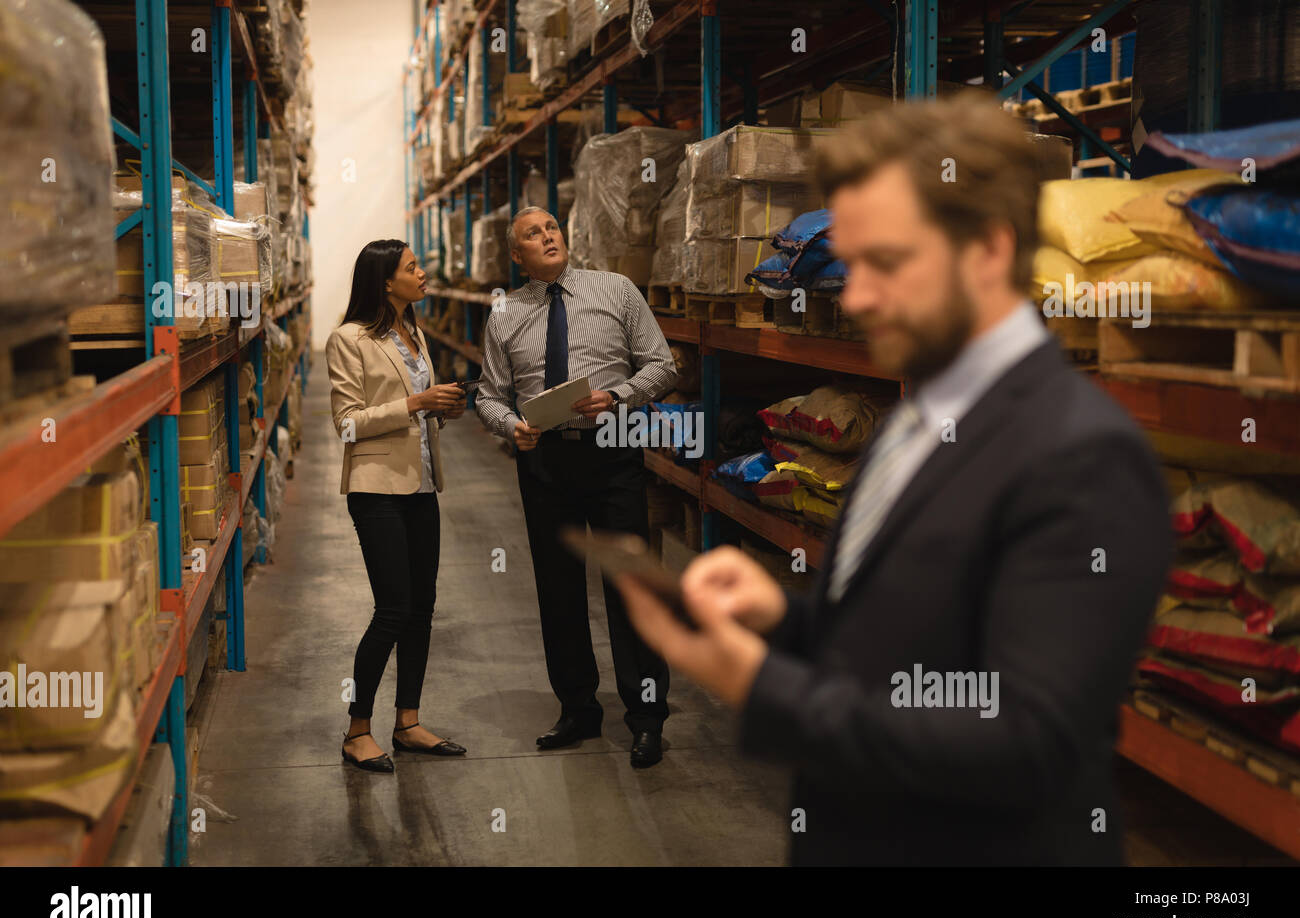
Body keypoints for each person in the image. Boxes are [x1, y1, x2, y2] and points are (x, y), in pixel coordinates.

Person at [615, 92, 1172, 863]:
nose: (857, 294)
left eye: (884, 262)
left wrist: (766, 689)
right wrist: (778, 618)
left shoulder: (1080, 456)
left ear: (984, 249)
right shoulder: (912, 418)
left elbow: (1024, 739)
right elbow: (898, 643)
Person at [476, 206, 678, 767]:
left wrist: (617, 398)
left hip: (612, 453)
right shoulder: (503, 314)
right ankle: (578, 708)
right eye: (532, 235)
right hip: (545, 464)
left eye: (552, 229)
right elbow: (489, 393)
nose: (547, 238)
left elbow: (661, 365)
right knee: (558, 588)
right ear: (517, 256)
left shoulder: (615, 290)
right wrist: (508, 424)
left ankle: (646, 716)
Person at [325, 239, 469, 773]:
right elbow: (346, 422)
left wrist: (441, 409)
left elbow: (417, 411)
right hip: (376, 487)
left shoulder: (415, 334)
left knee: (422, 609)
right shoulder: (348, 339)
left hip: (422, 484)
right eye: (413, 268)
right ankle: (357, 728)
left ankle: (407, 721)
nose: (423, 273)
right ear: (386, 282)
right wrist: (415, 403)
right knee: (393, 610)